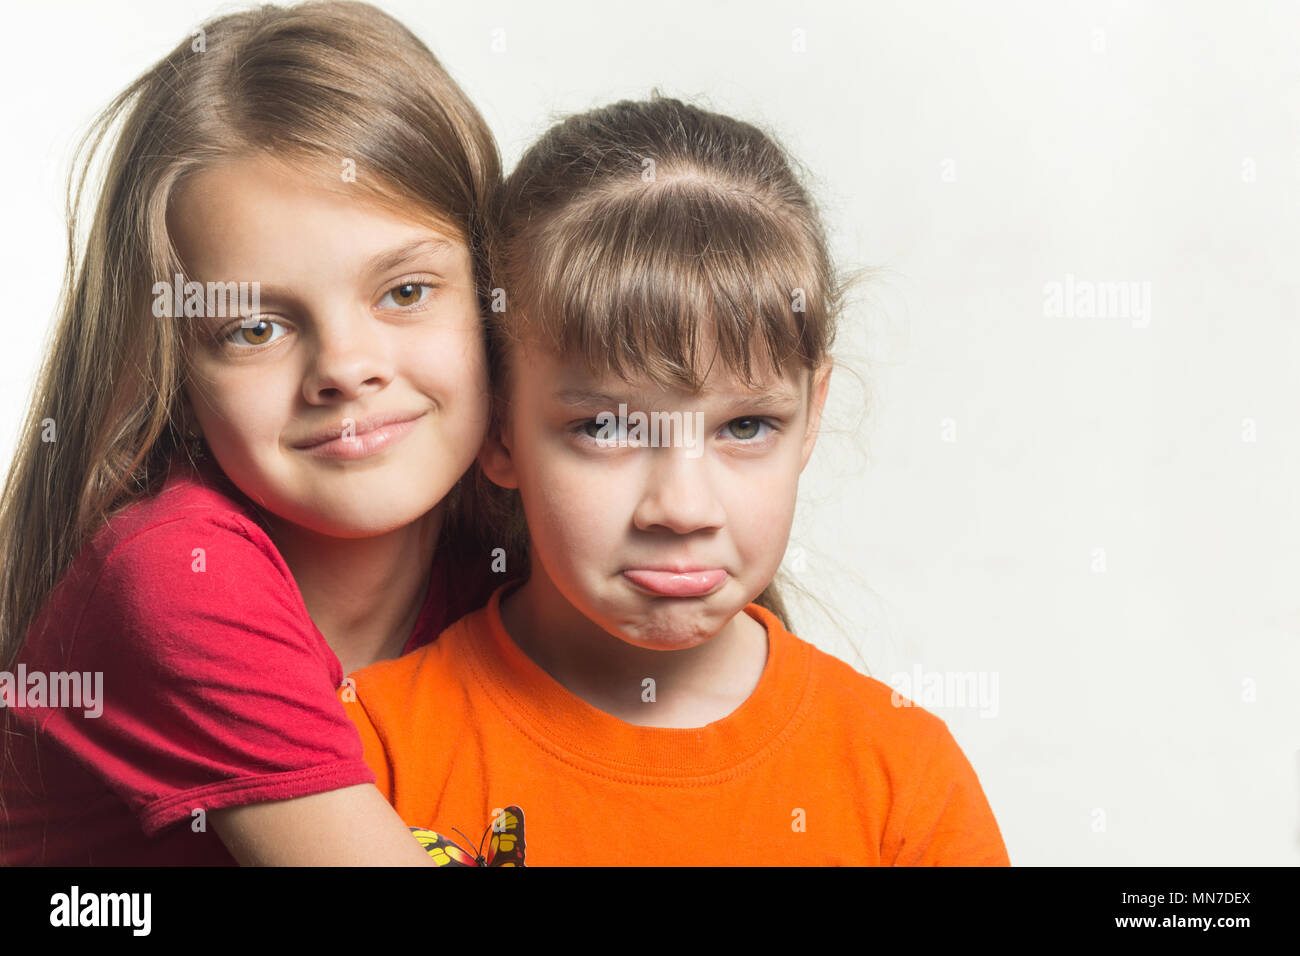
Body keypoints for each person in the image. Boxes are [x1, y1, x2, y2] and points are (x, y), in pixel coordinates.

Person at [340, 94, 1011, 865]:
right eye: (605, 427)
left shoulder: (901, 780)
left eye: (745, 427)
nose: (683, 509)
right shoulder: (371, 751)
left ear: (812, 415)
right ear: (496, 425)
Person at [0, 1, 504, 866]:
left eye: (407, 292)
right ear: (176, 369)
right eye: (255, 328)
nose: (345, 367)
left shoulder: (516, 574)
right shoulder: (171, 575)